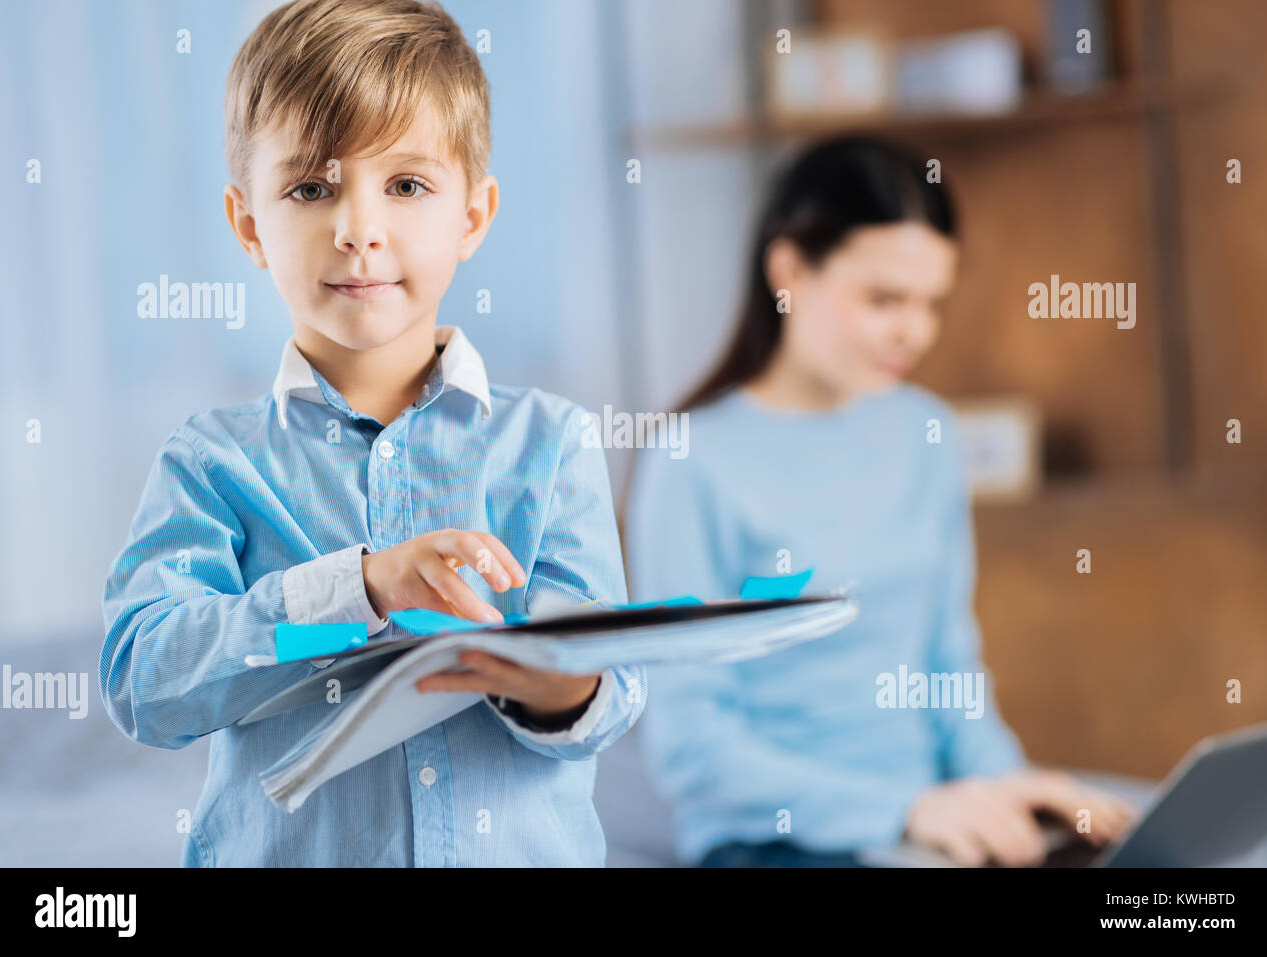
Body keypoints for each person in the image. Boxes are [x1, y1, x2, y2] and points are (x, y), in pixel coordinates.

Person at [100, 0, 643, 867]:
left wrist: (557, 683)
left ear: (472, 214)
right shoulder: (210, 461)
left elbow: (607, 700)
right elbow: (145, 683)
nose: (358, 228)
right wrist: (358, 590)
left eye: (407, 185)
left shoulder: (553, 442)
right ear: (248, 225)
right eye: (311, 188)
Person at [623, 136, 1132, 868]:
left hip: (930, 823)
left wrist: (1009, 788)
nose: (915, 332)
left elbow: (947, 660)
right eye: (885, 299)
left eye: (932, 303)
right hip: (777, 841)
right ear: (789, 270)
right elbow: (692, 749)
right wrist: (905, 810)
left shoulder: (923, 432)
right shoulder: (691, 462)